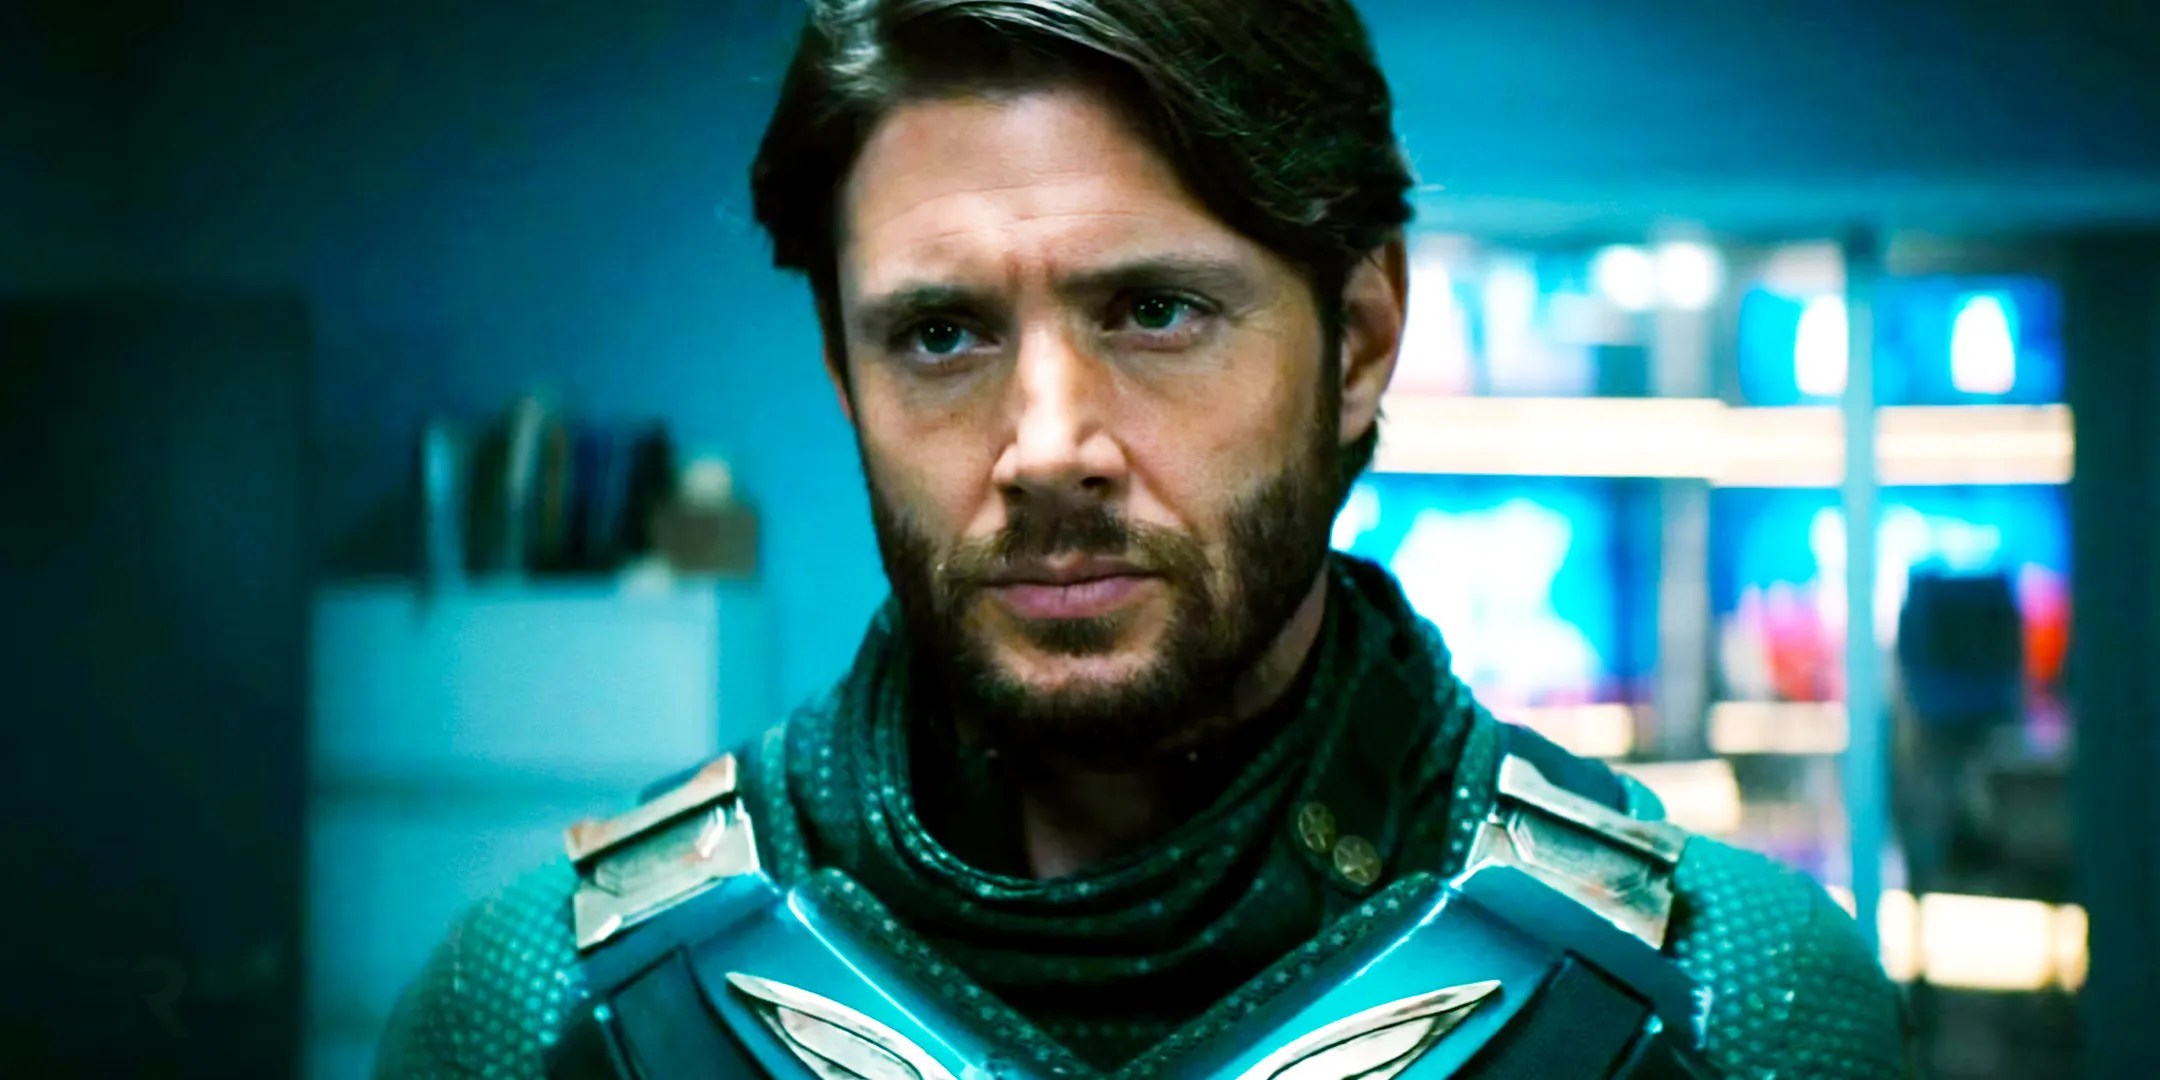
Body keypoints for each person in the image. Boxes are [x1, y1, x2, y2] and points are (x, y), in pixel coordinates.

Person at [376, 1, 1909, 1076]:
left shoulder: (1727, 1009)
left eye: (1155, 310)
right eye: (942, 334)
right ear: (844, 375)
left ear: (1362, 337)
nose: (1049, 447)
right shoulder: (550, 1017)